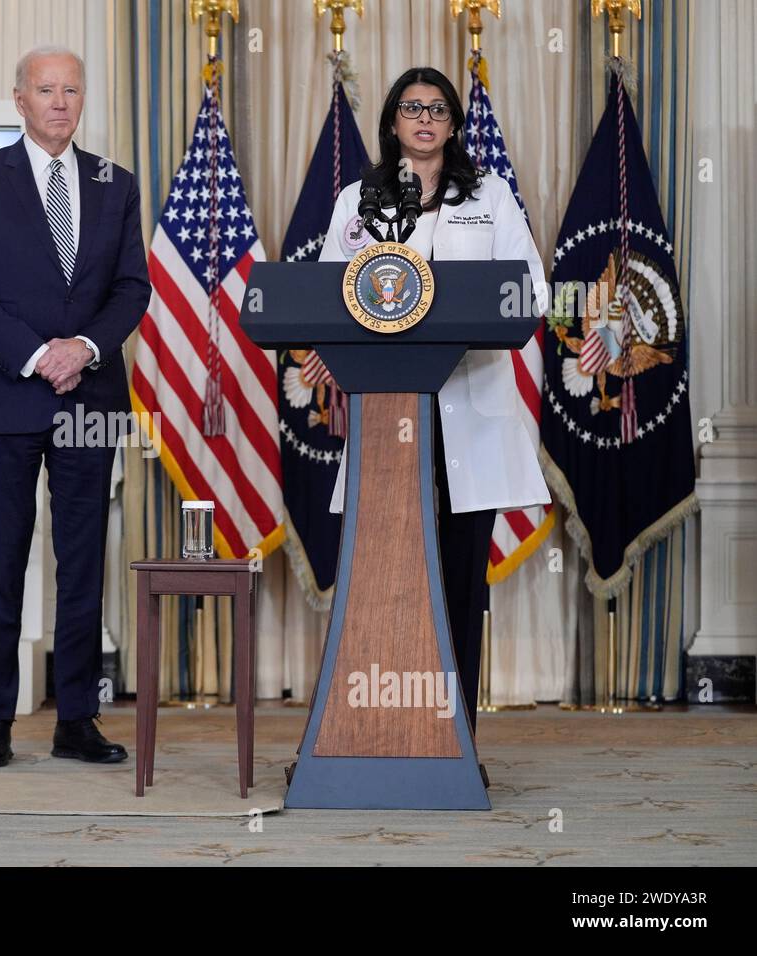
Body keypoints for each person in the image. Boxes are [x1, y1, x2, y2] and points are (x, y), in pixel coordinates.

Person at [318, 66, 551, 787]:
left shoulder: (489, 197)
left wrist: (456, 314)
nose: (424, 119)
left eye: (438, 109)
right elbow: (329, 290)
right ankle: (380, 733)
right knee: (384, 583)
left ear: (453, 124)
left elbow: (532, 288)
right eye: (411, 108)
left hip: (468, 413)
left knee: (456, 584)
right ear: (392, 122)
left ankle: (459, 747)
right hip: (388, 417)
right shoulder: (358, 200)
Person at [0, 45, 151, 768]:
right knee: (2, 566)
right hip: (5, 394)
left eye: (71, 90)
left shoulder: (114, 183)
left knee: (84, 563)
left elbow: (133, 289)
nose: (60, 102)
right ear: (19, 99)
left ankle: (76, 722)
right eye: (46, 90)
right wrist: (39, 355)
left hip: (88, 397)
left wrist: (84, 349)